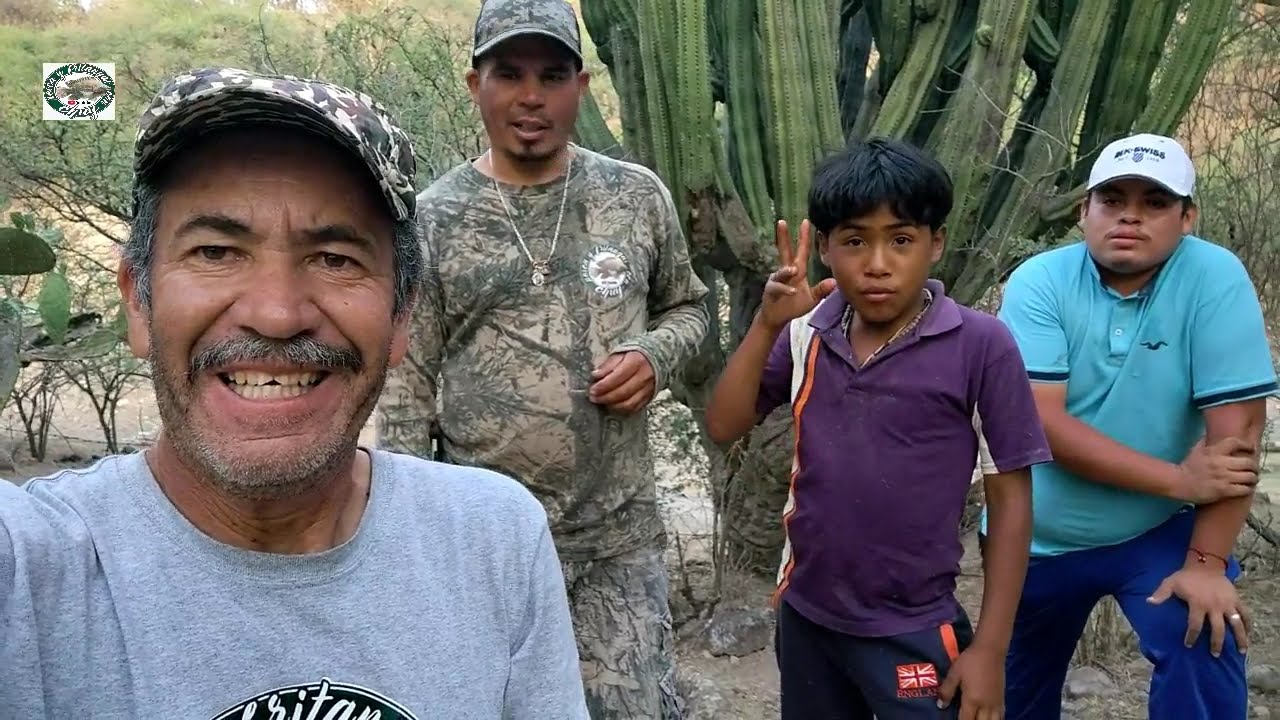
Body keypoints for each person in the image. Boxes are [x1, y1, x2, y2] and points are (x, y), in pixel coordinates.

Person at [0, 66, 589, 719]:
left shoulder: (492, 541)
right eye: (217, 251)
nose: (277, 314)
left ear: (400, 320)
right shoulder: (33, 571)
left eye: (336, 258)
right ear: (138, 302)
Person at [373, 0, 710, 717]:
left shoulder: (634, 195)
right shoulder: (433, 219)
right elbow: (407, 387)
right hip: (484, 549)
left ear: (581, 89)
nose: (532, 97)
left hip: (618, 539)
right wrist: (410, 538)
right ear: (475, 85)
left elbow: (692, 307)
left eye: (552, 75)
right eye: (509, 74)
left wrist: (654, 354)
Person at [704, 137, 1053, 719]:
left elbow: (1011, 499)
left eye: (901, 240)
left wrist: (990, 648)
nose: (877, 264)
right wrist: (767, 325)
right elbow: (724, 423)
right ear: (827, 249)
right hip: (807, 614)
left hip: (913, 625)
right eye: (854, 241)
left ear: (935, 244)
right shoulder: (808, 333)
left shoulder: (980, 346)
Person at [993, 131, 1278, 719]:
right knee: (1005, 695)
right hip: (1035, 535)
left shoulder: (1213, 278)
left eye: (1154, 202)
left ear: (1187, 217)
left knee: (1203, 626)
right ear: (1083, 212)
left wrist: (1205, 565)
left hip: (1155, 533)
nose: (1130, 215)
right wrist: (1179, 479)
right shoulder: (1039, 282)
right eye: (1112, 199)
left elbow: (1238, 435)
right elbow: (1038, 422)